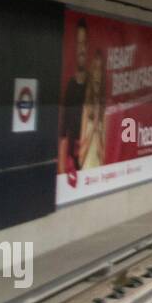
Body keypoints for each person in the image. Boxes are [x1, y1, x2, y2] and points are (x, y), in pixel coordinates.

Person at [58, 18, 89, 184]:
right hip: (73, 164)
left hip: (89, 159)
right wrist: (63, 168)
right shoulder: (70, 86)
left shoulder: (93, 86)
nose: (81, 49)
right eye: (79, 44)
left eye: (84, 43)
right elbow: (63, 133)